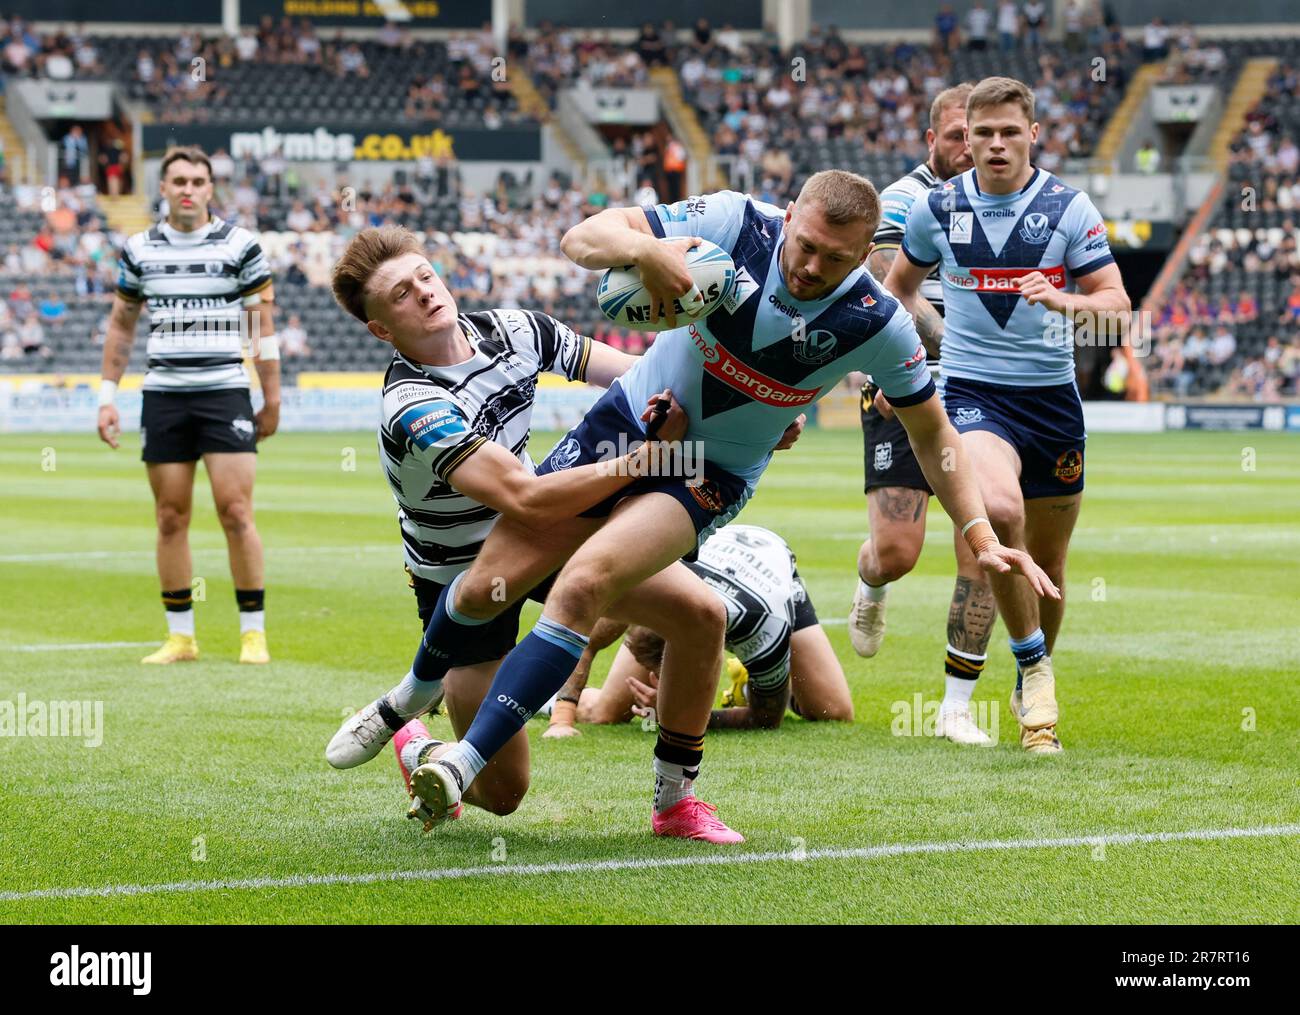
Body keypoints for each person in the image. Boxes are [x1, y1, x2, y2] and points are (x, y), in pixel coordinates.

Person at [330, 169, 1059, 837]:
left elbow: (935, 435)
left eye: (834, 259)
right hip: (622, 427)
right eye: (803, 245)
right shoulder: (737, 223)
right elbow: (585, 235)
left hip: (703, 471)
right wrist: (647, 255)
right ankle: (408, 706)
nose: (809, 267)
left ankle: (484, 767)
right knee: (501, 589)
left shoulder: (878, 324)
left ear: (868, 252)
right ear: (789, 215)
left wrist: (975, 527)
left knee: (588, 584)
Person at [324, 225, 759, 840]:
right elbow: (523, 498)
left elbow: (636, 375)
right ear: (382, 331)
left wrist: (739, 414)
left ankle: (675, 802)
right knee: (503, 796)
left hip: (549, 533)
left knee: (700, 615)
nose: (423, 293)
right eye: (400, 294)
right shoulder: (412, 403)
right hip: (466, 577)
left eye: (425, 276)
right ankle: (418, 742)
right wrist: (642, 461)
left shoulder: (515, 331)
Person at [885, 76, 1130, 753]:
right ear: (966, 137)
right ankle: (1034, 669)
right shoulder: (938, 208)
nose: (994, 144)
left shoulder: (1067, 208)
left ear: (1032, 135)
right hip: (971, 395)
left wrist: (1064, 302)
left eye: (1007, 132)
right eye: (981, 132)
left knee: (1048, 561)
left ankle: (1031, 679)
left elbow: (1117, 305)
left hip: (1052, 406)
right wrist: (897, 367)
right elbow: (896, 292)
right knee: (998, 509)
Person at [848, 83, 998, 746]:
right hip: (904, 384)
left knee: (983, 543)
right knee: (897, 553)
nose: (970, 148)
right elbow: (891, 286)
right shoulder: (904, 200)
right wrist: (960, 348)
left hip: (982, 397)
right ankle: (869, 580)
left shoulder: (1009, 203)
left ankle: (956, 706)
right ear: (931, 139)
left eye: (980, 134)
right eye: (957, 135)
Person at [96, 146, 280, 665]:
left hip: (224, 392)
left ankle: (252, 633)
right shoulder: (139, 249)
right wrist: (107, 397)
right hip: (164, 395)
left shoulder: (239, 246)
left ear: (209, 188)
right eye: (178, 180)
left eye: (198, 181)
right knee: (170, 517)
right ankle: (181, 637)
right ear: (163, 188)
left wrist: (272, 396)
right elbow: (122, 324)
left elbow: (258, 327)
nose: (188, 189)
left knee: (236, 511)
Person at [545, 523, 852, 733]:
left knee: (832, 710)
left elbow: (766, 719)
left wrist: (682, 712)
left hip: (765, 567)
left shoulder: (762, 624)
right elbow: (582, 639)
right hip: (698, 566)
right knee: (605, 714)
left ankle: (756, 681)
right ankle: (541, 700)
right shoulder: (649, 588)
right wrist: (562, 719)